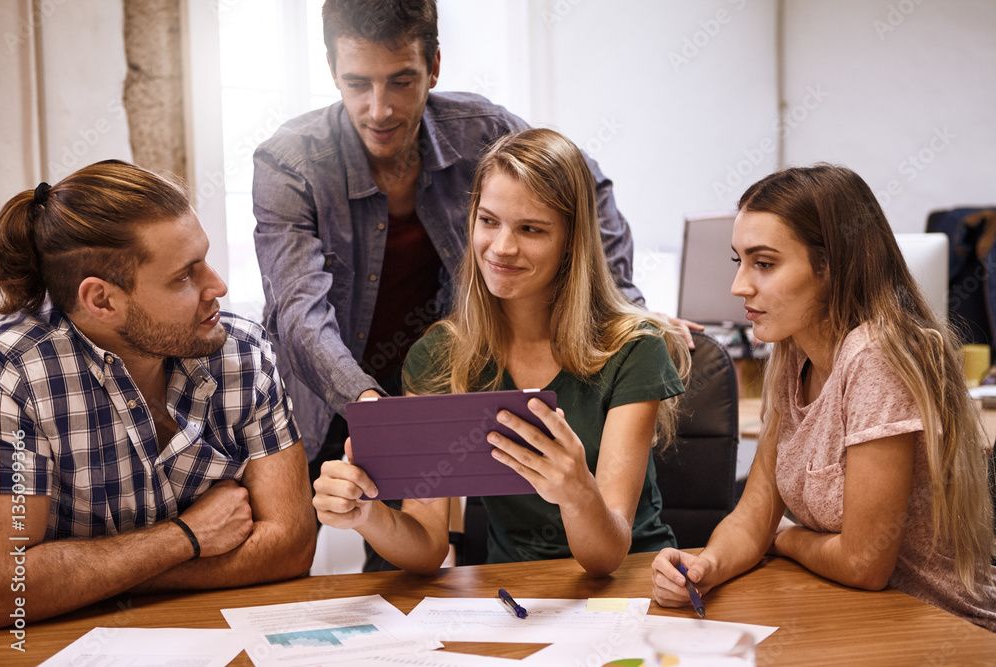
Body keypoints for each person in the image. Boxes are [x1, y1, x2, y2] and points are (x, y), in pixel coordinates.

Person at [252, 0, 700, 492]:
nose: (379, 109)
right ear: (333, 71)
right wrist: (368, 404)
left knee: (408, 557)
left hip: (444, 380)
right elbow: (297, 310)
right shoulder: (289, 162)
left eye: (401, 81)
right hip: (325, 393)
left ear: (434, 68)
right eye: (359, 83)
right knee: (296, 547)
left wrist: (623, 310)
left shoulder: (482, 130)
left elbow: (583, 191)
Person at [312, 128, 690, 577]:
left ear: (572, 241)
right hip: (512, 593)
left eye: (531, 229)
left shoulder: (633, 348)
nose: (502, 247)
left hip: (630, 582)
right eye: (489, 221)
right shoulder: (440, 355)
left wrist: (576, 491)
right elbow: (428, 545)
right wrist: (367, 516)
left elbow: (606, 556)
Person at [651, 165, 996, 630]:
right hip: (862, 618)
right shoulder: (793, 350)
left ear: (831, 266)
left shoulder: (875, 357)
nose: (739, 286)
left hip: (940, 627)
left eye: (765, 263)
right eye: (740, 261)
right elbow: (754, 515)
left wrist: (786, 538)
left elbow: (862, 564)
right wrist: (705, 567)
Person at [0, 161, 316, 625]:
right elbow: (8, 587)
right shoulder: (14, 373)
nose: (217, 286)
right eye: (185, 276)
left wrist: (95, 576)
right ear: (101, 300)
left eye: (204, 259)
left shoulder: (243, 351)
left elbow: (291, 546)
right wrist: (184, 537)